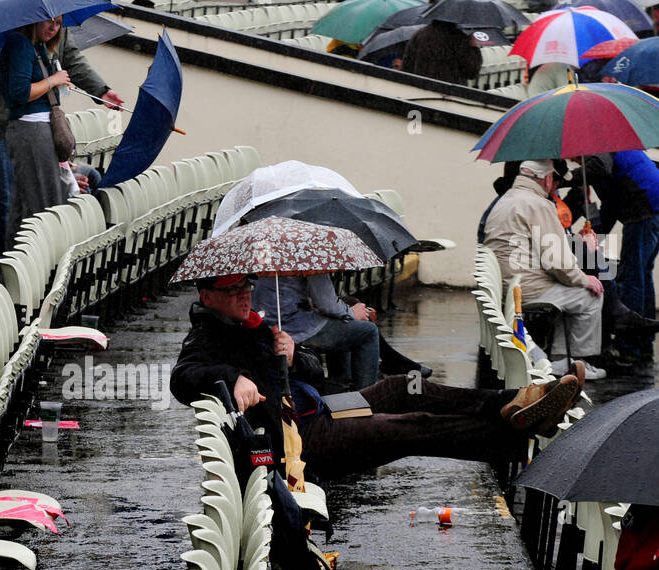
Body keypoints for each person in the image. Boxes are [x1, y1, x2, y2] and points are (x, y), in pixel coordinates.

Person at [170, 273, 584, 478]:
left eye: (247, 287)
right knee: (405, 426)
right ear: (207, 297)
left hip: (319, 410)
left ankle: (515, 401)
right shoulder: (208, 337)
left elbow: (314, 373)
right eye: (232, 291)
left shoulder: (254, 326)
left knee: (401, 386)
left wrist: (294, 356)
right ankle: (521, 439)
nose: (245, 295)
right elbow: (183, 378)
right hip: (303, 440)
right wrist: (233, 377)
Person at [0, 18, 122, 250]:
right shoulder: (15, 33)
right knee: (15, 201)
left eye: (58, 23)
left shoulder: (52, 23)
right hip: (11, 122)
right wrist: (46, 77)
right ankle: (12, 268)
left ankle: (26, 263)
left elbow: (73, 59)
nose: (54, 27)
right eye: (49, 23)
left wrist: (102, 91)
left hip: (42, 123)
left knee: (31, 200)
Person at [482, 159, 608, 380]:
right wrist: (584, 278)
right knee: (589, 295)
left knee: (568, 290)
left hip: (508, 283)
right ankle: (578, 362)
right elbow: (556, 261)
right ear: (546, 178)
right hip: (528, 289)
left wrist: (575, 247)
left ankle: (561, 361)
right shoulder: (539, 204)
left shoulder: (506, 200)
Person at [251, 274, 432, 391]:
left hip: (266, 322)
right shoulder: (309, 254)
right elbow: (327, 304)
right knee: (367, 332)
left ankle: (341, 383)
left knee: (345, 311)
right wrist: (353, 312)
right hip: (293, 328)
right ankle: (368, 395)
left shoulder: (266, 253)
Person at [576, 151, 659, 358]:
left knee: (631, 276)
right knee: (643, 274)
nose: (571, 161)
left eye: (571, 157)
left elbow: (600, 171)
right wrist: (595, 235)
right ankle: (644, 343)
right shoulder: (615, 143)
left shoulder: (596, 153)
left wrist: (568, 179)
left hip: (645, 212)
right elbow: (611, 203)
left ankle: (628, 346)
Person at [401, 21, 481, 86]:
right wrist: (473, 47)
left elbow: (407, 67)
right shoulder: (460, 39)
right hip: (450, 95)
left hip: (420, 90)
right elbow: (472, 72)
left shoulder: (420, 34)